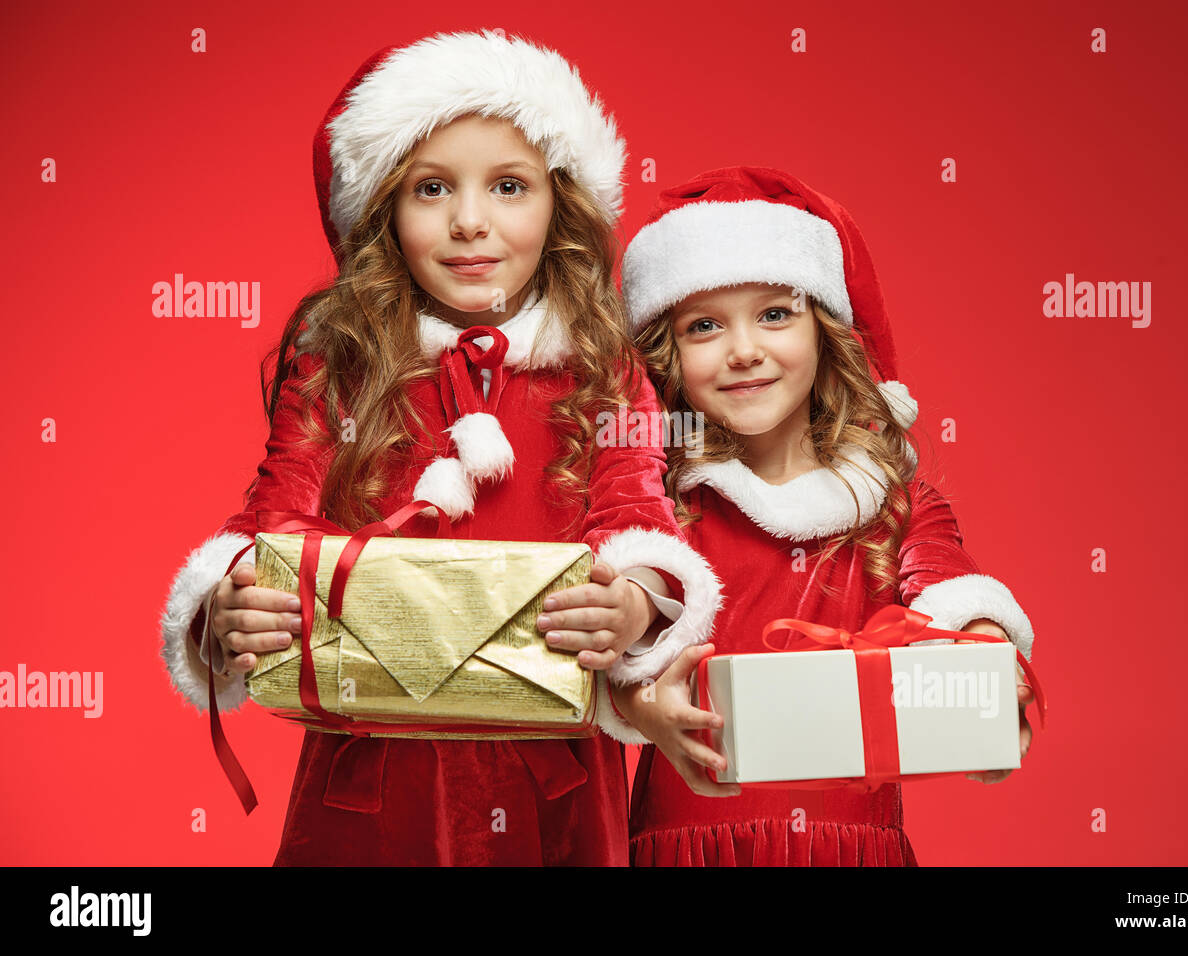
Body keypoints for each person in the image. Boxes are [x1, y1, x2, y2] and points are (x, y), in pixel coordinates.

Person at [158, 31, 721, 866]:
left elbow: (638, 515)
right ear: (384, 210)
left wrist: (635, 600)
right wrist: (225, 608)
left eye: (507, 186)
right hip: (371, 780)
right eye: (431, 188)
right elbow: (272, 521)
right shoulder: (338, 367)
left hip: (553, 783)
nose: (469, 221)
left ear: (558, 204)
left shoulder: (603, 372)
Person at [612, 166, 1038, 866]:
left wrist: (989, 672)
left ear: (825, 331)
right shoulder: (657, 503)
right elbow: (615, 656)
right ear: (667, 354)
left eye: (775, 314)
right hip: (686, 846)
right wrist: (642, 710)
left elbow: (956, 598)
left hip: (850, 851)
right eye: (705, 325)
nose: (744, 349)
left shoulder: (894, 505)